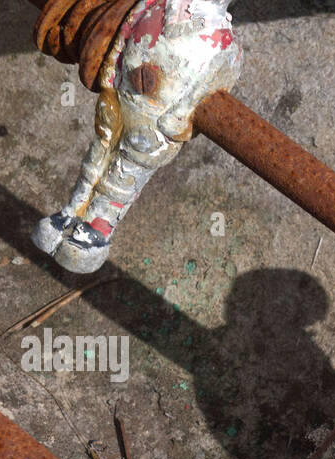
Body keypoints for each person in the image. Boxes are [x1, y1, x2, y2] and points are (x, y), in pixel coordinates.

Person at [32, 0, 242, 273]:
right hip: (132, 87)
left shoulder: (216, 40)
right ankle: (74, 216)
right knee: (107, 144)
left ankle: (93, 228)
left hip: (155, 114)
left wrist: (173, 123)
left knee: (127, 162)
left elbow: (189, 103)